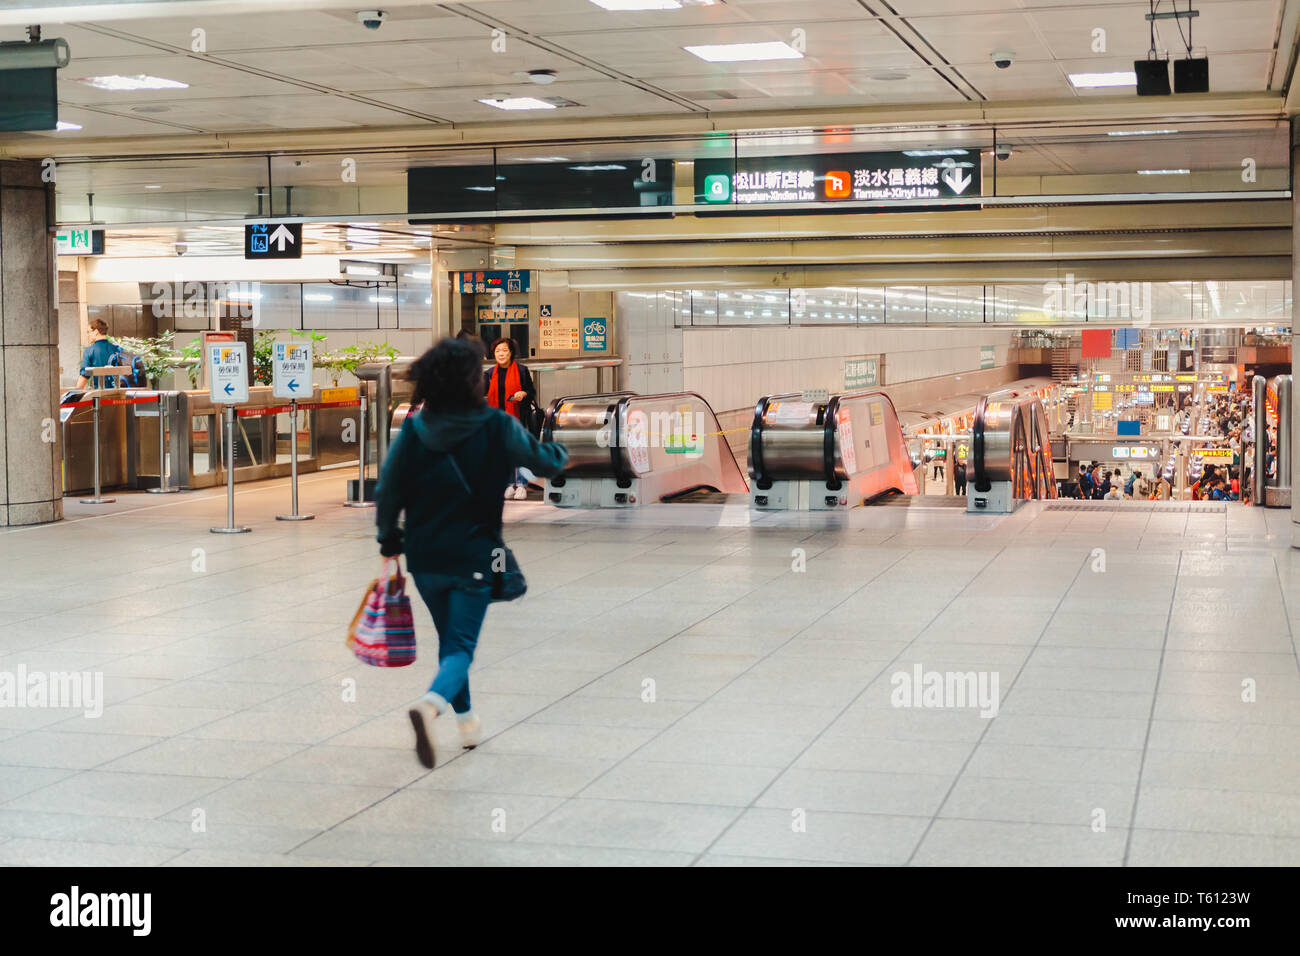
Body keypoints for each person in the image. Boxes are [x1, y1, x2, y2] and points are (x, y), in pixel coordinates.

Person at [375, 337, 569, 769]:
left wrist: (388, 538)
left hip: (424, 556)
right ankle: (429, 706)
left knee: (449, 640)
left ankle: (467, 725)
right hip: (474, 553)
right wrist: (560, 451)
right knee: (461, 645)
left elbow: (389, 489)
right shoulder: (495, 425)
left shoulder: (415, 428)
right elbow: (545, 462)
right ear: (471, 380)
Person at [484, 337, 539, 499]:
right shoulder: (489, 374)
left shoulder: (521, 371)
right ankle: (508, 484)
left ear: (511, 352)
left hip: (518, 417)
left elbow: (531, 392)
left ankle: (522, 484)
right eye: (497, 351)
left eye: (504, 350)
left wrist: (524, 394)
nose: (501, 354)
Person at [76, 318, 120, 388]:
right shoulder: (117, 349)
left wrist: (75, 394)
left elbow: (84, 376)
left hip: (99, 395)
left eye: (89, 332)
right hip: (118, 394)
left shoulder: (89, 351)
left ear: (96, 331)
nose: (88, 335)